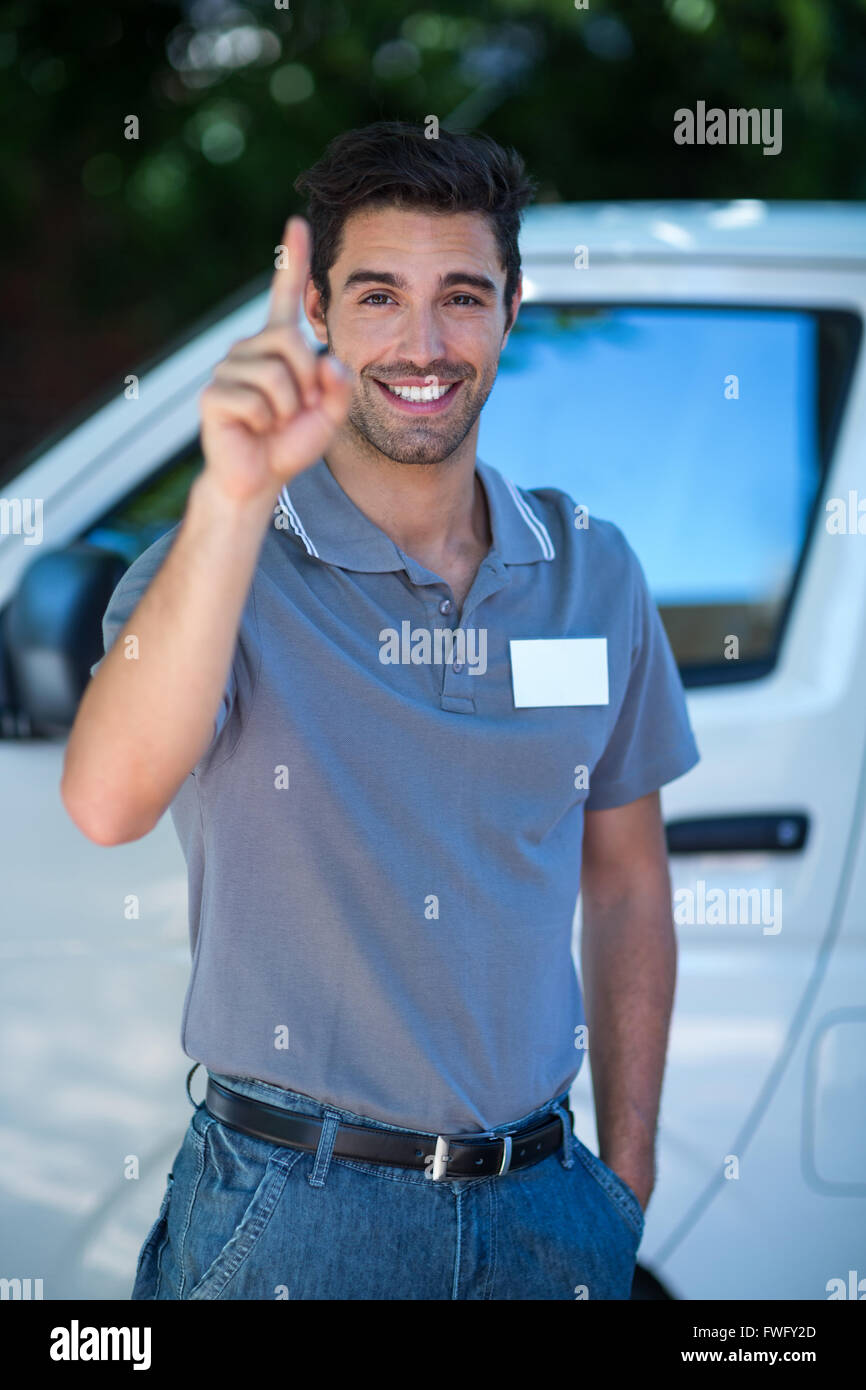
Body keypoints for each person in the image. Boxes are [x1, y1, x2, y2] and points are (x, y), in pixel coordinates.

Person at [61, 121, 699, 1300]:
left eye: (460, 296)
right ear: (317, 312)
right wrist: (232, 494)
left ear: (511, 308)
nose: (421, 343)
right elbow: (105, 802)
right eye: (376, 296)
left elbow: (623, 879)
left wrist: (628, 1181)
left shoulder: (592, 570)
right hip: (292, 1217)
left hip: (548, 1211)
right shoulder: (214, 564)